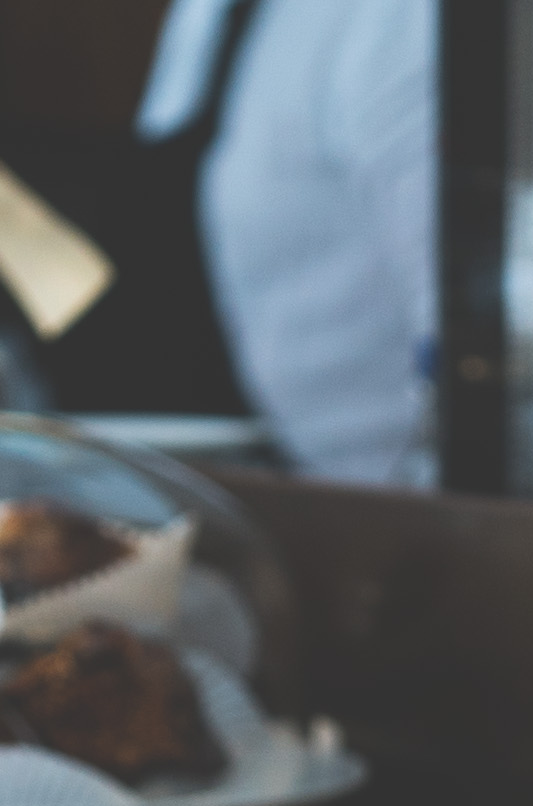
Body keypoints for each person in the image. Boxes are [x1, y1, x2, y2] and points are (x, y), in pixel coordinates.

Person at [147, 0, 439, 484]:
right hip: (200, 484)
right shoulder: (205, 13)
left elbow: (469, 325)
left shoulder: (401, 20)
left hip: (372, 503)